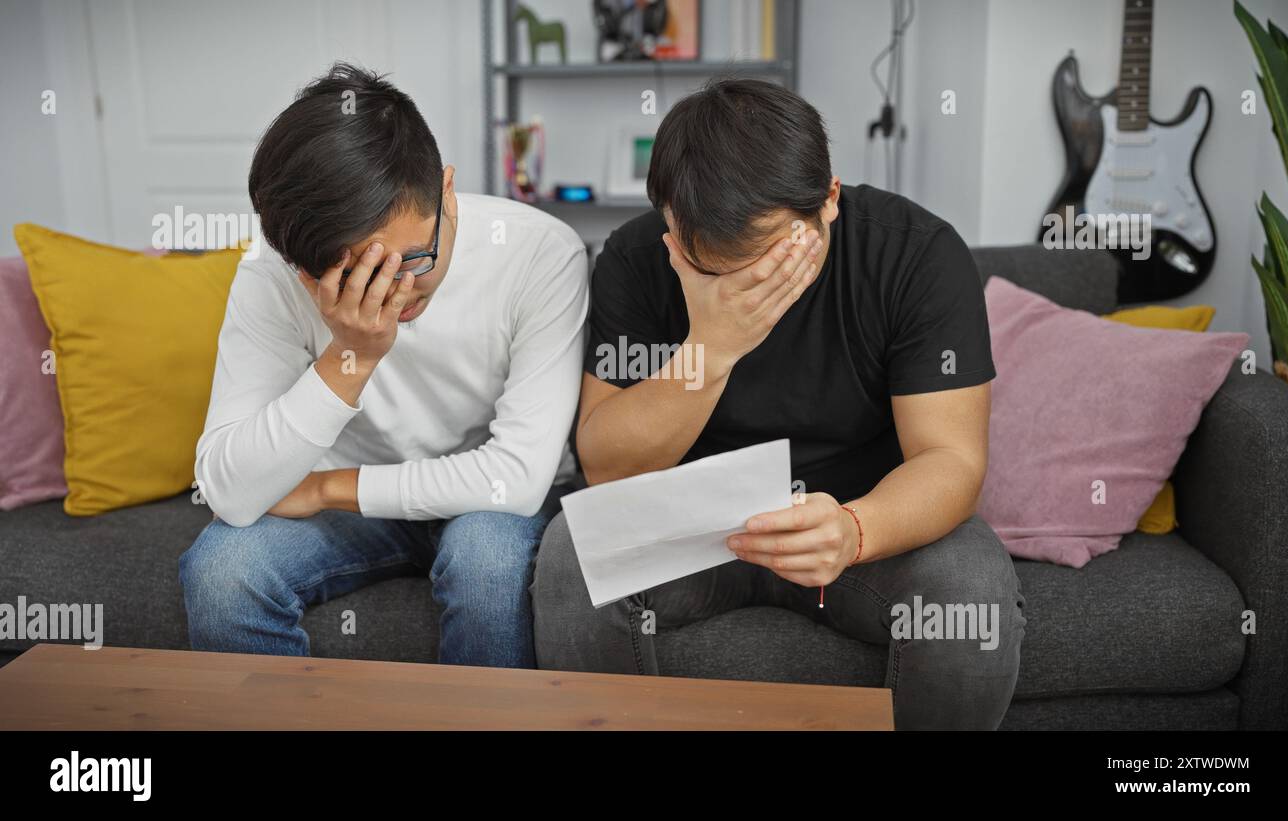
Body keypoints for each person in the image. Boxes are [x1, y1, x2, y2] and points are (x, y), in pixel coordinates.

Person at [531, 78, 1026, 729]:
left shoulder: (917, 254)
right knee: (573, 549)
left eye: (766, 261)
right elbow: (605, 469)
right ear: (672, 225)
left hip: (856, 512)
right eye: (712, 268)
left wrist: (855, 529)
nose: (742, 288)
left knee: (972, 586)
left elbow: (951, 458)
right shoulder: (634, 255)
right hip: (696, 520)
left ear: (828, 199)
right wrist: (711, 348)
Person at [179, 63, 588, 669]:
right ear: (302, 265)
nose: (393, 293)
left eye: (415, 259)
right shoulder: (273, 272)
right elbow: (230, 492)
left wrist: (324, 488)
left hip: (480, 504)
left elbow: (518, 477)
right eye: (352, 278)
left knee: (487, 568)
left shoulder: (540, 253)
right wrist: (352, 356)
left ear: (447, 192)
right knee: (220, 572)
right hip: (359, 515)